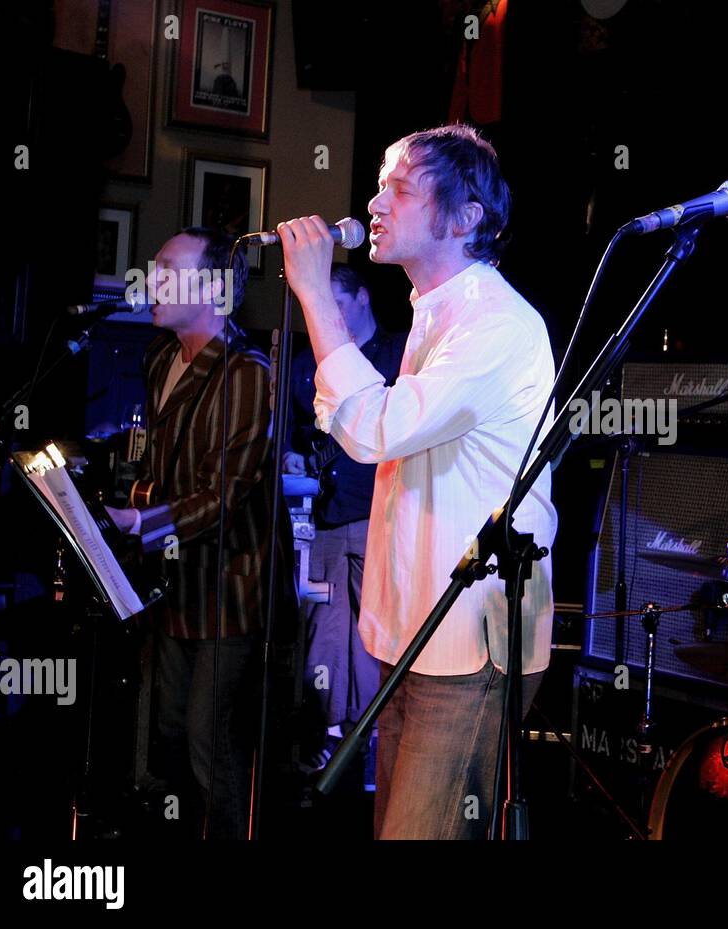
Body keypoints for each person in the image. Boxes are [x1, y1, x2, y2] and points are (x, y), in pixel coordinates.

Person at [276, 124, 557, 839]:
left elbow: (373, 429)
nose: (372, 203)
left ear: (465, 217)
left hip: (468, 648)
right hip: (412, 640)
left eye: (397, 187)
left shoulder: (495, 324)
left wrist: (315, 293)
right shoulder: (433, 318)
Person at [104, 227, 273, 839]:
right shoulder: (158, 360)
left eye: (169, 269)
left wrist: (142, 521)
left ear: (215, 288)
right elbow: (159, 468)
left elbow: (225, 495)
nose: (153, 281)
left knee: (211, 746)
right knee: (164, 738)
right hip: (171, 586)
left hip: (228, 591)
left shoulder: (247, 373)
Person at [284, 263, 407, 768]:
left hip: (380, 517)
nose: (326, 315)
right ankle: (331, 737)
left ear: (362, 300)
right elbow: (294, 438)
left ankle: (364, 739)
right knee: (323, 634)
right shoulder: (305, 363)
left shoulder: (399, 353)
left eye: (335, 303)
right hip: (322, 519)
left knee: (370, 635)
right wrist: (294, 458)